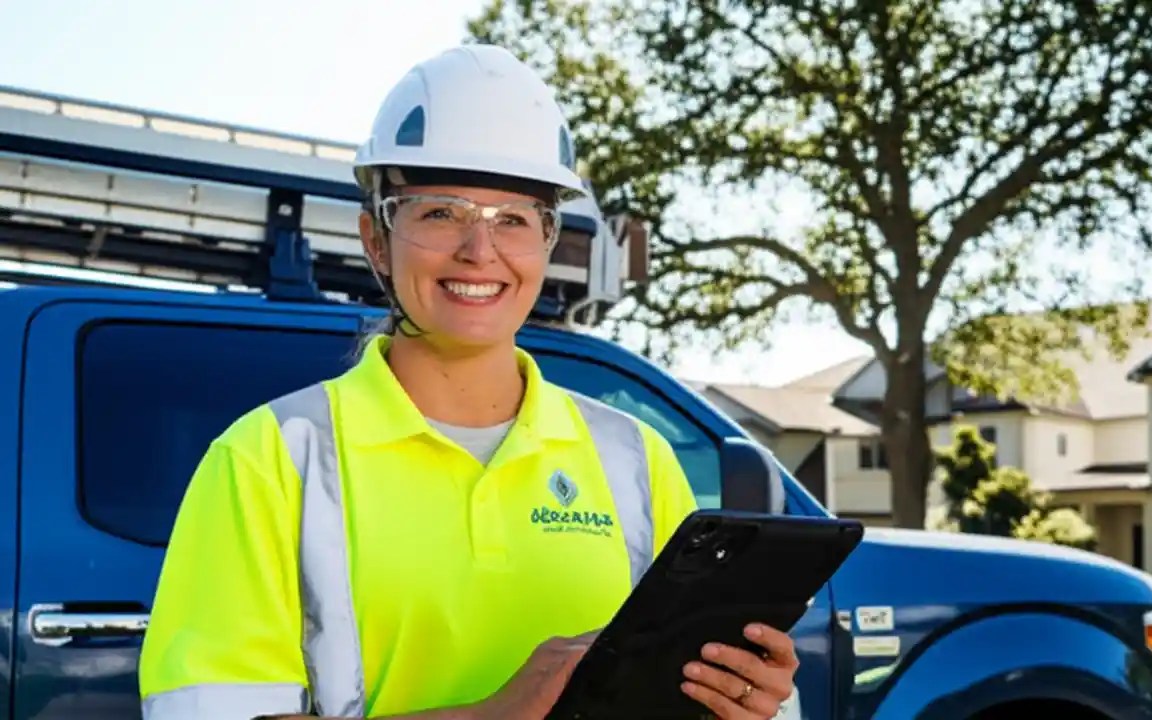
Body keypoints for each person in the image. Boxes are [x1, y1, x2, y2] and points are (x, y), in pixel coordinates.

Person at [137, 44, 800, 720]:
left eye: (512, 219)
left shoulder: (633, 460)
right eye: (440, 213)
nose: (479, 253)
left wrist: (753, 705)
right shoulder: (270, 460)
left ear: (546, 243)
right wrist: (497, 714)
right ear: (375, 239)